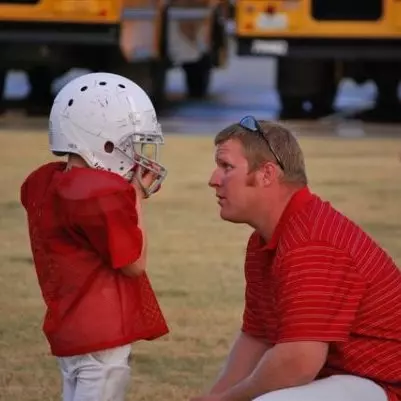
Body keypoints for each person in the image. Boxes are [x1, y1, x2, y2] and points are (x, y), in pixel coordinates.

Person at [193, 116, 401, 401]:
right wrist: (214, 397)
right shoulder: (268, 238)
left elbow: (299, 361)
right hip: (349, 380)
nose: (213, 180)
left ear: (267, 174)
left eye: (226, 166)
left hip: (383, 385)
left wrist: (229, 400)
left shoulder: (312, 241)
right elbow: (257, 337)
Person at [20, 72, 169, 401]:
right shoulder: (99, 194)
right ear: (104, 138)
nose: (136, 154)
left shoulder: (45, 181)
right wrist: (135, 198)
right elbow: (133, 263)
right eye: (131, 143)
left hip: (69, 325)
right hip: (101, 333)